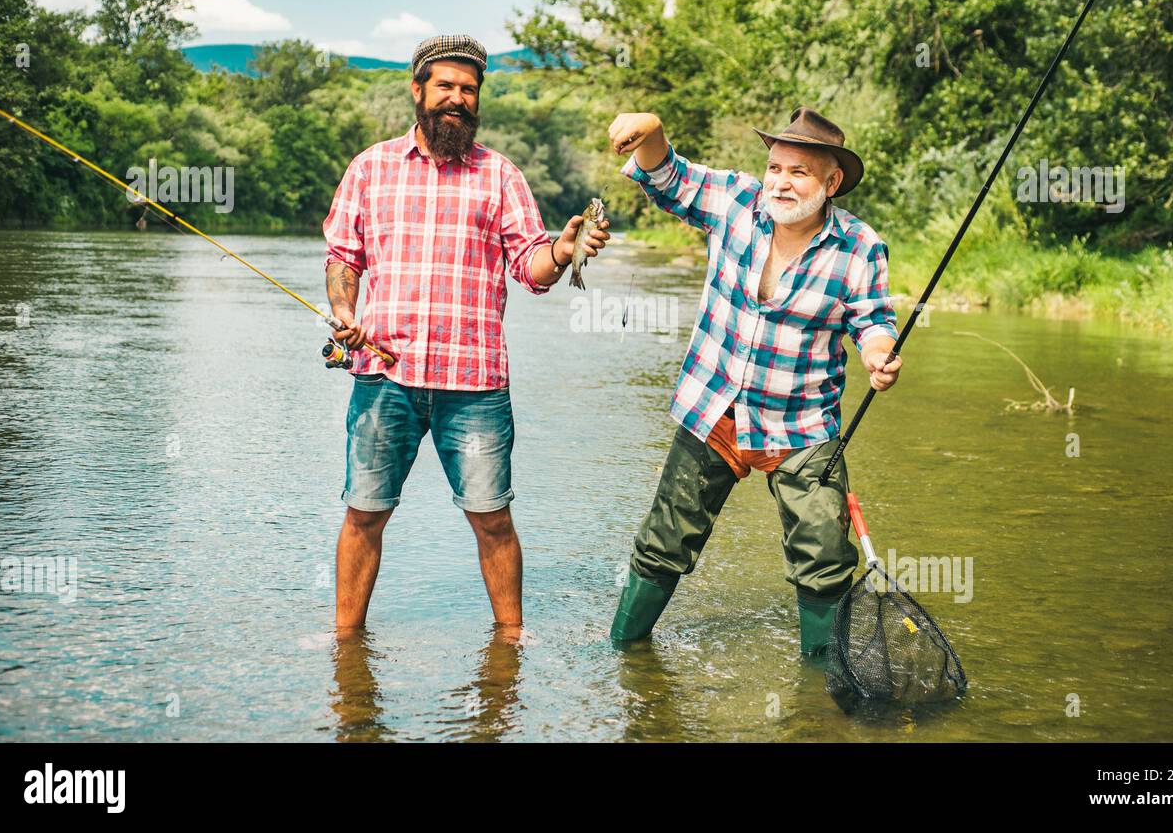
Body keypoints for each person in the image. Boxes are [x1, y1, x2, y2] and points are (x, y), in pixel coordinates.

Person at [324, 34, 610, 634]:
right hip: (384, 377)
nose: (457, 99)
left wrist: (562, 248)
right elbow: (342, 258)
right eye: (446, 86)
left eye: (469, 90)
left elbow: (530, 269)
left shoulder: (501, 175)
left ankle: (511, 642)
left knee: (492, 519)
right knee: (364, 515)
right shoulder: (370, 167)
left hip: (473, 384)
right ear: (418, 90)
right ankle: (346, 643)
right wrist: (344, 312)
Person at [605, 107, 901, 655]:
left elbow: (873, 321)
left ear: (831, 183)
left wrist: (880, 356)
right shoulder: (736, 202)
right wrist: (650, 129)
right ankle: (623, 652)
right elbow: (667, 174)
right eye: (775, 168)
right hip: (714, 406)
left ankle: (822, 686)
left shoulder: (860, 246)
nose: (782, 183)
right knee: (664, 541)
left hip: (802, 423)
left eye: (799, 173)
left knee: (825, 558)